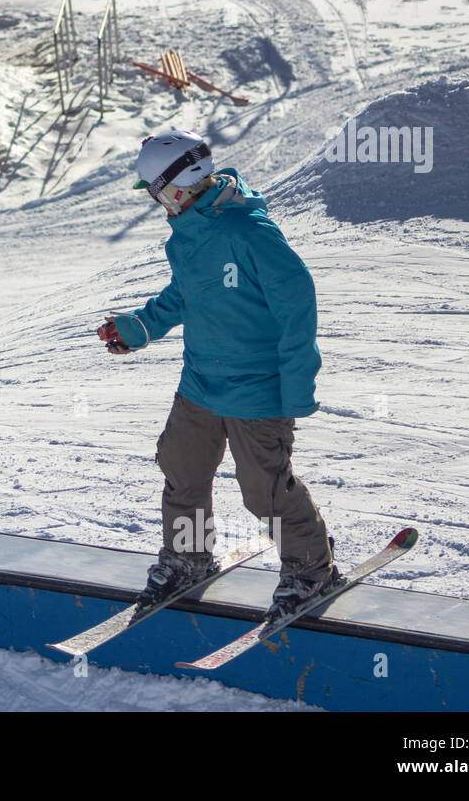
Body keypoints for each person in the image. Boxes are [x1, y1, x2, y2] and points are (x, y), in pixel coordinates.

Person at [96, 129, 337, 619]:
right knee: (182, 470)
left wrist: (296, 386)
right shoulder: (190, 232)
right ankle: (187, 558)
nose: (154, 202)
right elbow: (186, 294)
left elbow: (297, 302)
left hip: (257, 388)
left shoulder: (248, 232)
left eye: (154, 192)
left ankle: (311, 568)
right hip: (201, 381)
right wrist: (138, 328)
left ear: (176, 187)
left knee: (264, 489)